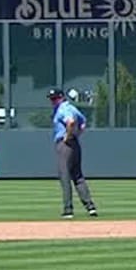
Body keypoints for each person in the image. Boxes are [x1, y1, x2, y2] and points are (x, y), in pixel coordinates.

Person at [48, 87, 98, 218]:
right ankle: (90, 207)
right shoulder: (72, 107)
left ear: (61, 97)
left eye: (55, 98)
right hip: (75, 144)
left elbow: (70, 122)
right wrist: (76, 135)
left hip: (65, 144)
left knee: (65, 177)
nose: (53, 101)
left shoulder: (63, 109)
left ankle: (68, 209)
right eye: (51, 99)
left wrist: (68, 136)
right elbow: (82, 122)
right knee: (78, 176)